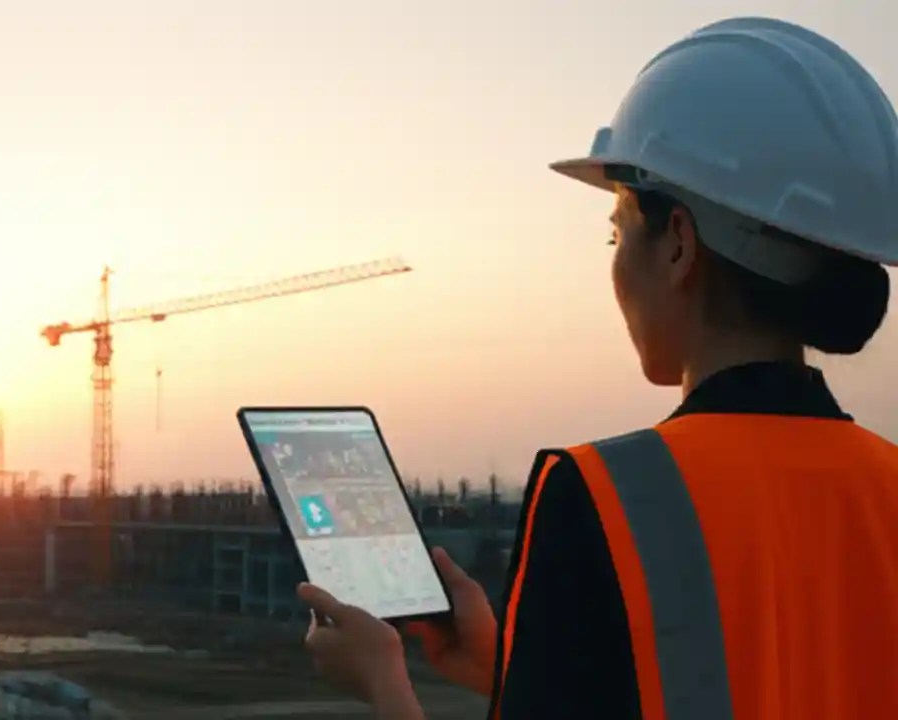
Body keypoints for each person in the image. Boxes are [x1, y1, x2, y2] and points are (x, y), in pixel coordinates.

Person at [296, 16, 898, 720]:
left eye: (616, 231)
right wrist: (512, 668)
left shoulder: (611, 499)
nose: (612, 262)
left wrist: (384, 682)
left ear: (678, 245)